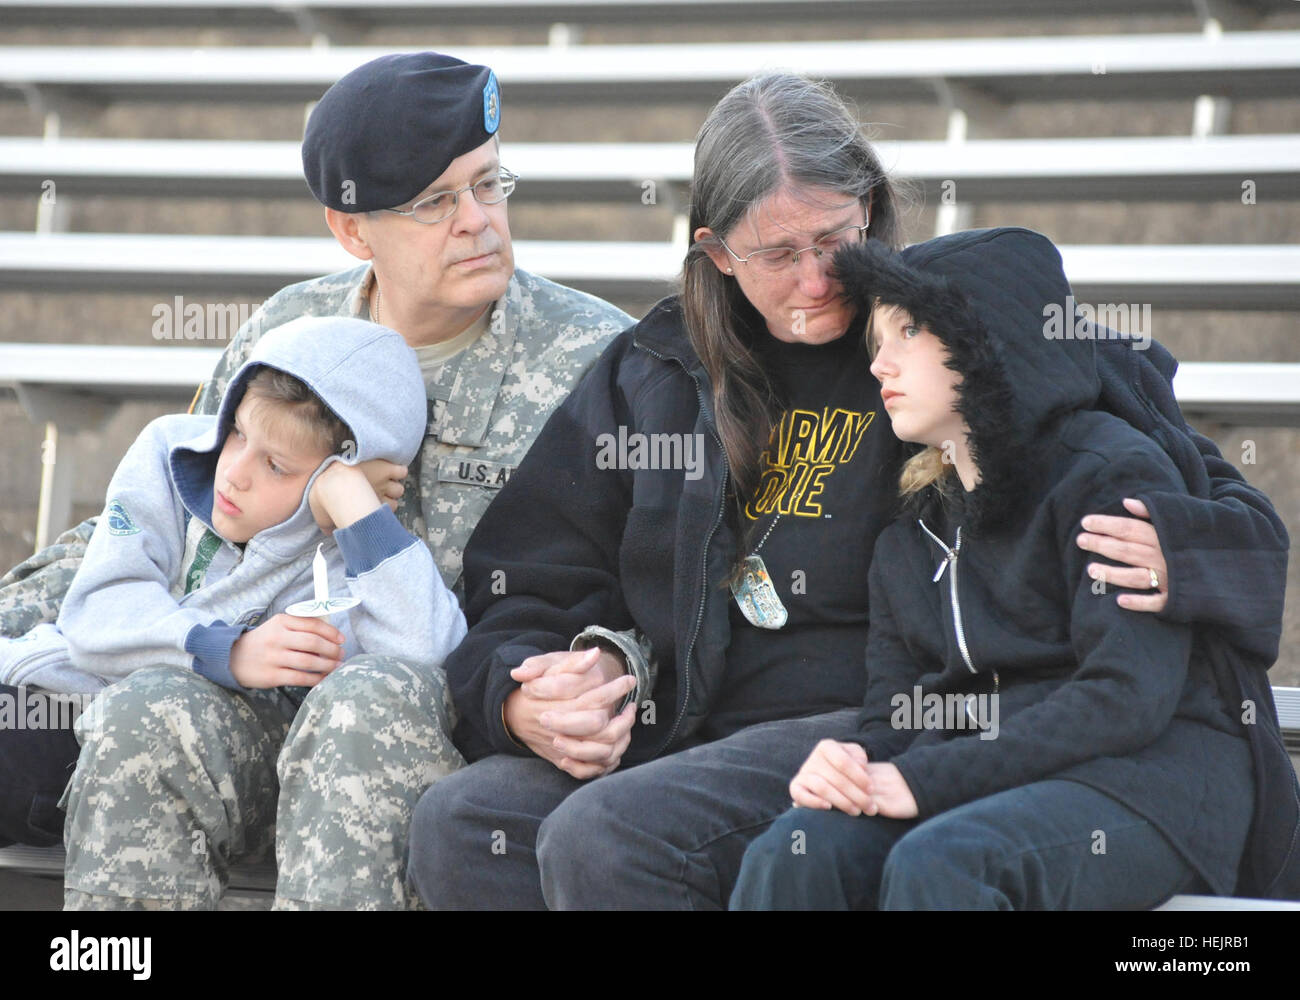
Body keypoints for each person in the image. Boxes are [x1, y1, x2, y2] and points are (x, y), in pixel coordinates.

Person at [406, 73, 1290, 909]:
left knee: (609, 837)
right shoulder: (654, 374)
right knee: (462, 825)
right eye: (779, 253)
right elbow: (522, 579)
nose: (817, 278)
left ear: (870, 206)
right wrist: (520, 699)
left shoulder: (959, 339)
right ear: (715, 253)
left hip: (881, 712)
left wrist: (1181, 548)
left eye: (836, 240)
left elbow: (1217, 505)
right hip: (681, 718)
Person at [0, 50, 632, 909]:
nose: (479, 222)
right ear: (352, 230)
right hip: (255, 695)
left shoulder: (596, 361)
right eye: (435, 203)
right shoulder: (289, 328)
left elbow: (637, 585)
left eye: (489, 185)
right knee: (143, 715)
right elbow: (173, 515)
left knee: (367, 704)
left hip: (446, 724)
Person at [729, 228, 1298, 909]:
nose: (881, 364)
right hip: (996, 778)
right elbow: (895, 710)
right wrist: (855, 763)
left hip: (1152, 782)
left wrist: (927, 781)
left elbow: (1124, 699)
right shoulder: (910, 526)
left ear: (986, 338)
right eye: (878, 341)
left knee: (946, 866)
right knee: (793, 853)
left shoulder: (1104, 473)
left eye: (909, 330)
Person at [23, 315, 465, 909]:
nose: (233, 472)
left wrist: (354, 505)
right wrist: (227, 648)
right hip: (72, 705)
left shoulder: (351, 544)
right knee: (117, 723)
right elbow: (99, 608)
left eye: (277, 466)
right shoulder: (169, 450)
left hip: (280, 771)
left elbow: (426, 652)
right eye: (235, 433)